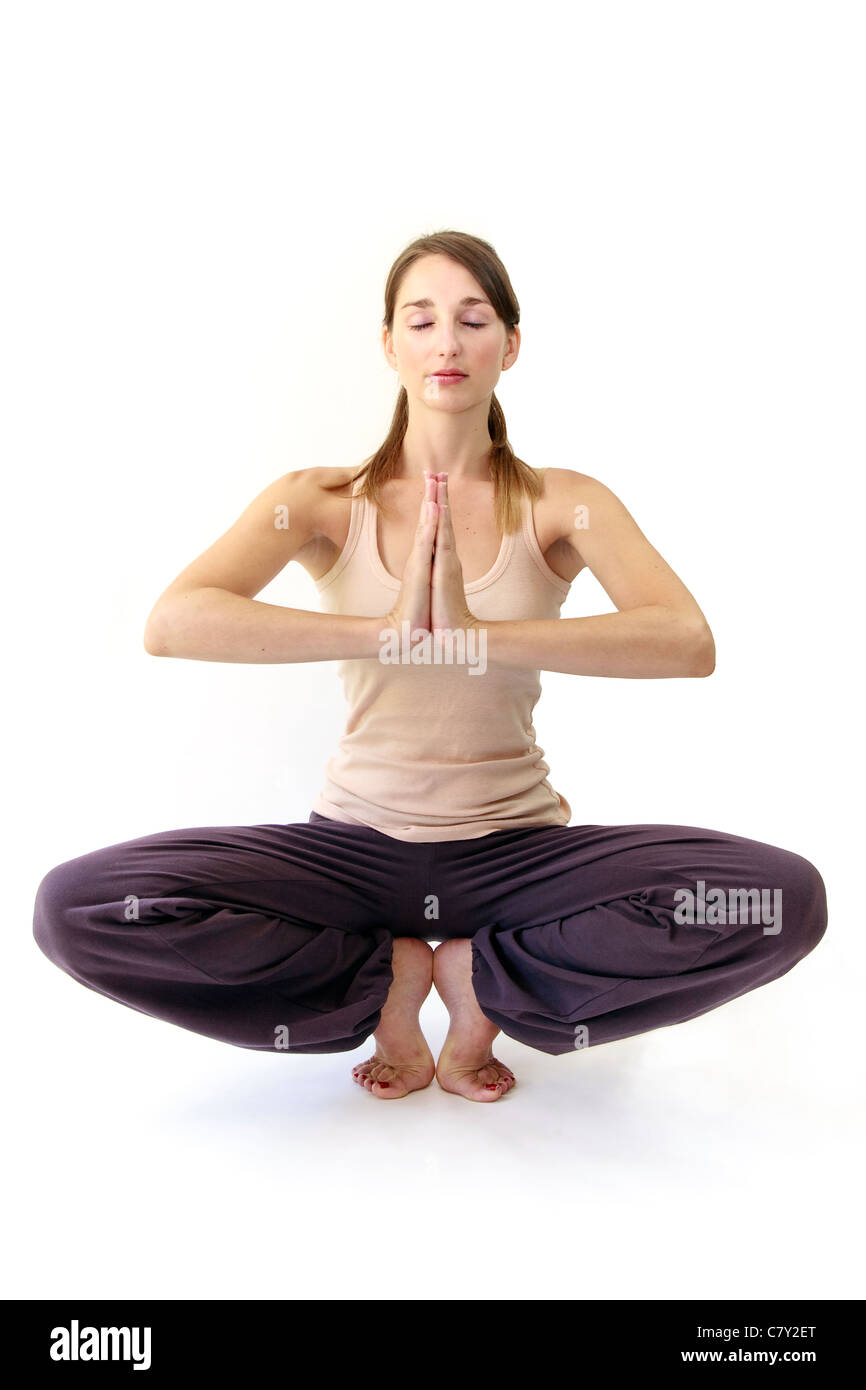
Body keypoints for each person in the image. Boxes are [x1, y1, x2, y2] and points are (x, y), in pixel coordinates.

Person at [32, 229, 828, 1102]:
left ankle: (487, 984)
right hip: (352, 852)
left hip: (517, 856)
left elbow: (686, 641)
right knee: (76, 908)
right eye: (422, 321)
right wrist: (388, 629)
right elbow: (175, 621)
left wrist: (475, 636)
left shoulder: (565, 503)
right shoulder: (320, 502)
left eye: (473, 320)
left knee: (778, 900)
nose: (447, 343)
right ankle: (390, 981)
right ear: (389, 345)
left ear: (510, 345)